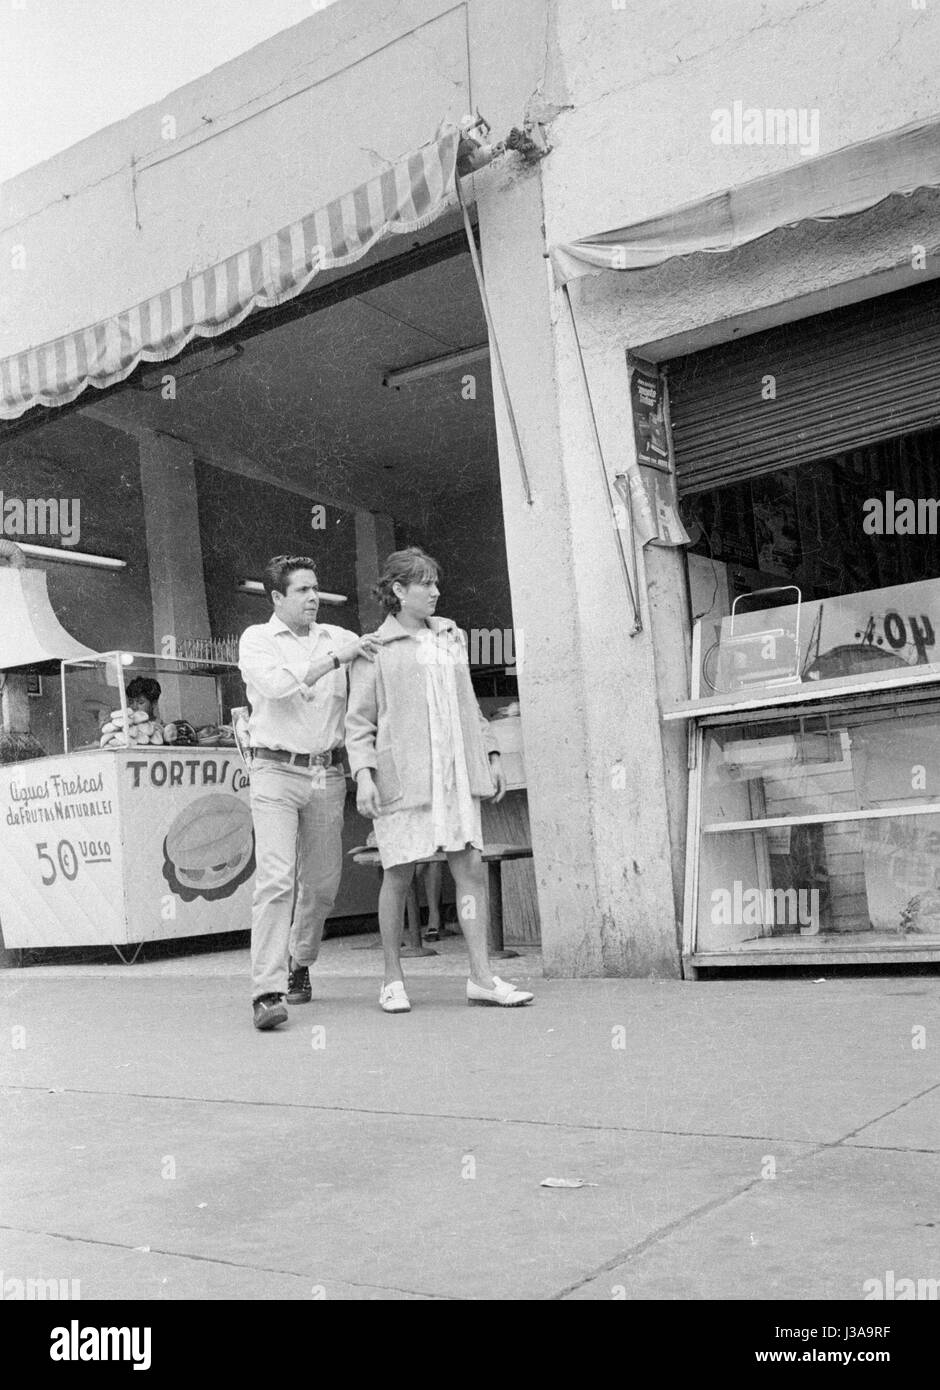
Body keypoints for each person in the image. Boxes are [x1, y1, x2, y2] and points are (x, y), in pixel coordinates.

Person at [346, 546, 534, 1012]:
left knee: (469, 868)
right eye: (425, 584)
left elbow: (469, 703)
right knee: (399, 873)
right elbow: (359, 723)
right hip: (403, 775)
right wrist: (364, 776)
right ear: (398, 590)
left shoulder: (449, 637)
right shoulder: (376, 648)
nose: (435, 591)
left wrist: (490, 754)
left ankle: (482, 977)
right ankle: (392, 979)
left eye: (435, 582)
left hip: (453, 774)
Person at [238, 554, 383, 1031]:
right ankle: (266, 991)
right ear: (277, 597)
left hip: (324, 772)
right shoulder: (257, 640)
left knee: (321, 885)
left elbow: (376, 649)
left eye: (316, 588)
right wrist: (334, 661)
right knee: (276, 879)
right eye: (302, 590)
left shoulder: (337, 637)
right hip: (274, 770)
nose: (313, 597)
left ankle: (300, 961)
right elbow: (277, 687)